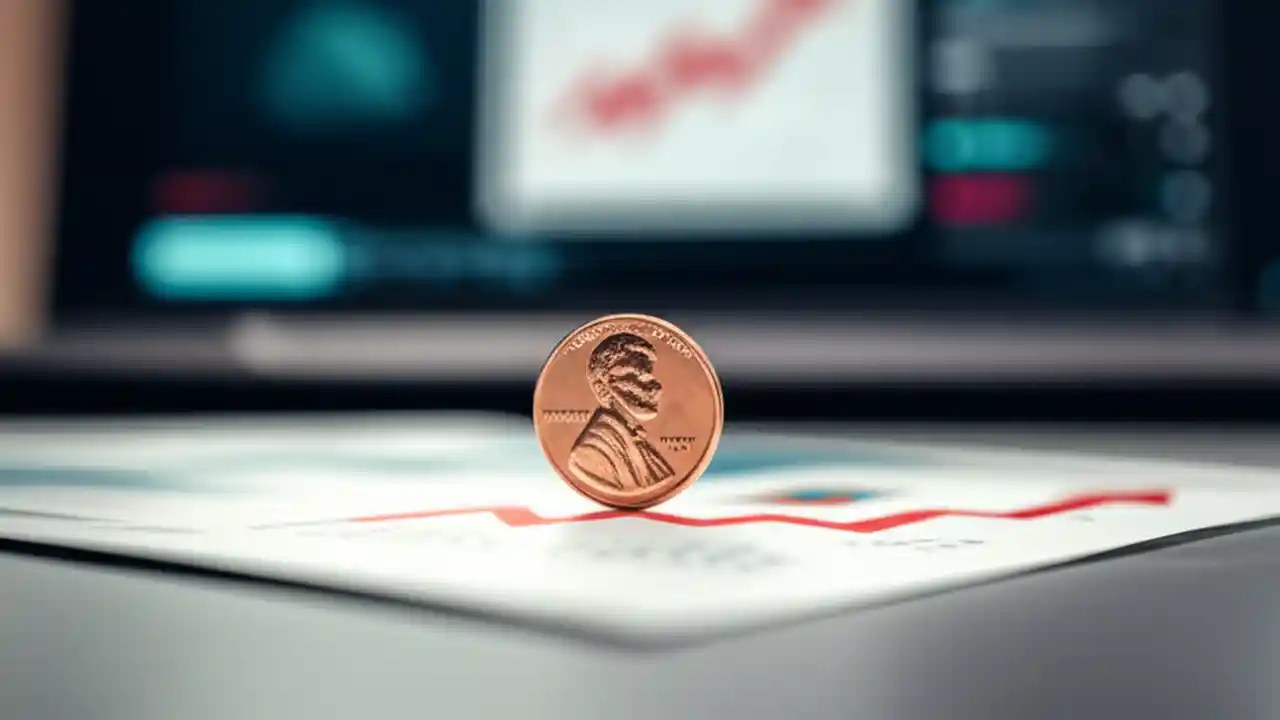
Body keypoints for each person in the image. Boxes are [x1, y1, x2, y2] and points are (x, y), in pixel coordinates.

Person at [568, 333, 675, 492]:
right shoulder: (588, 453)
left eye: (650, 377)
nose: (657, 389)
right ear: (604, 386)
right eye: (638, 377)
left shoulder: (636, 439)